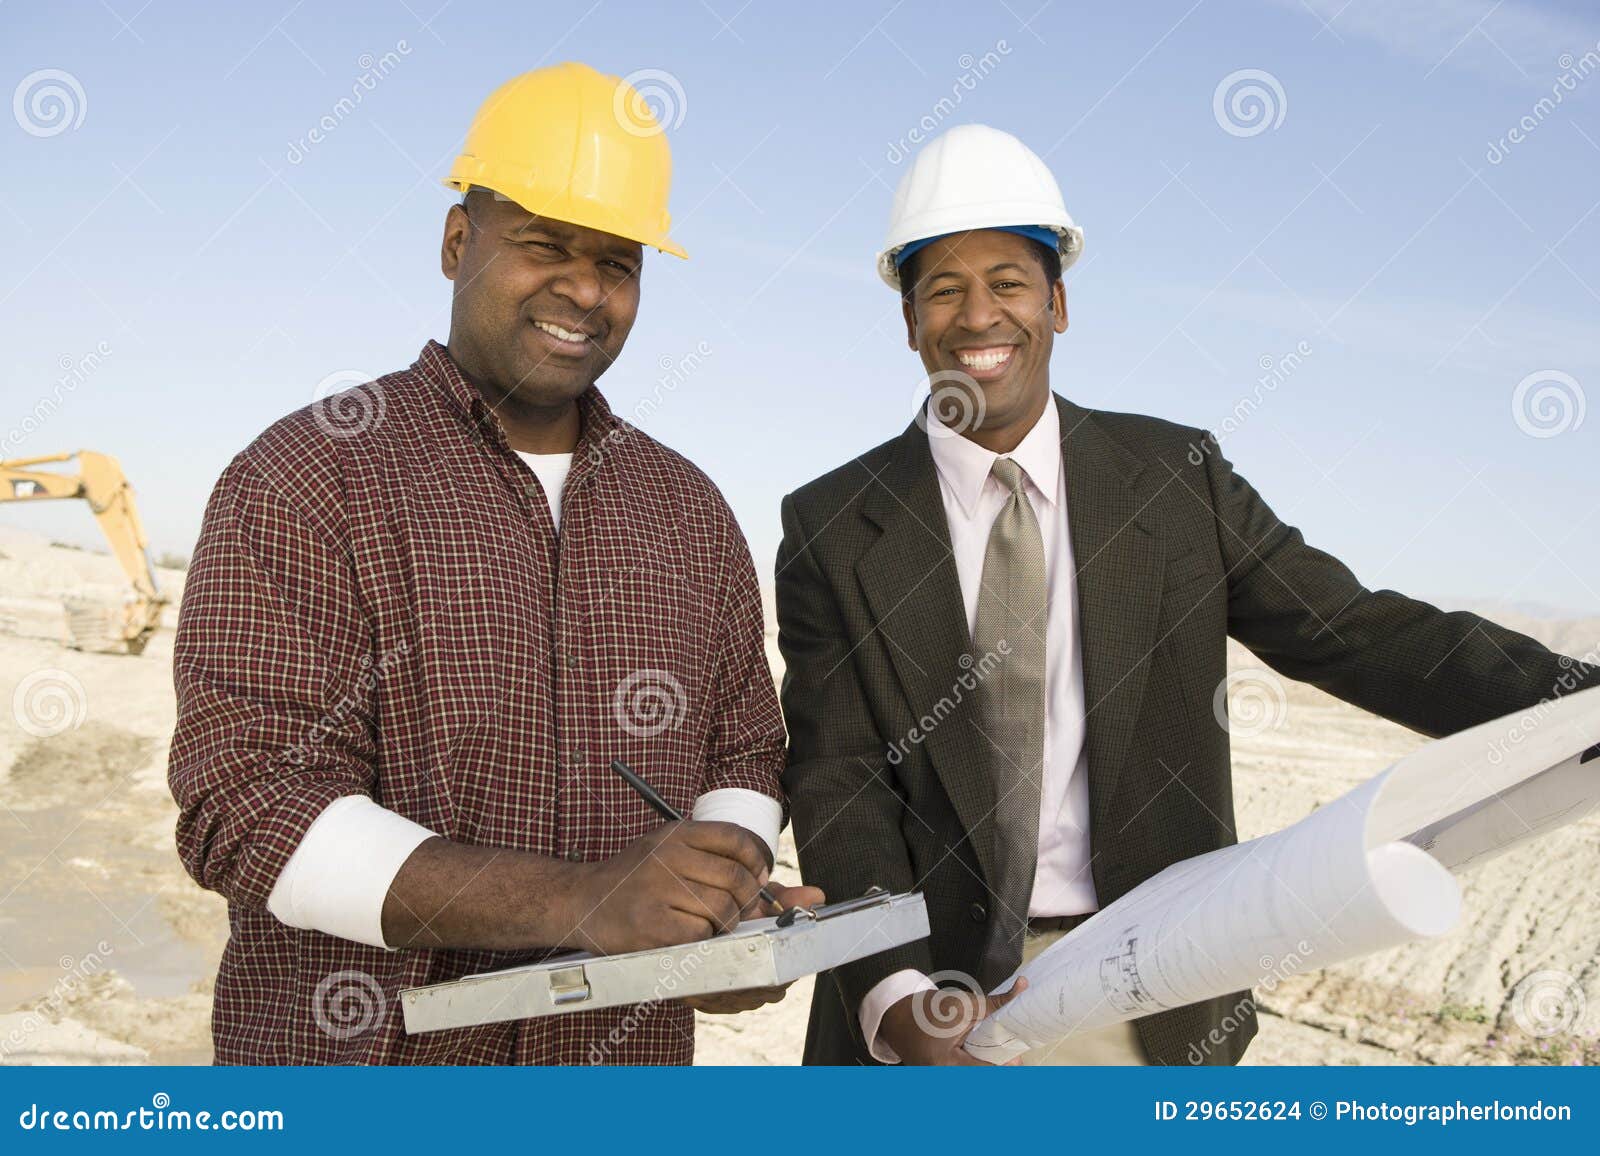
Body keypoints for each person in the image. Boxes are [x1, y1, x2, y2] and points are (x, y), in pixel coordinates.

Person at [775, 123, 1597, 1066]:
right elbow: (837, 777)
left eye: (1008, 282)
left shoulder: (1174, 477)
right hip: (925, 1008)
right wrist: (895, 993)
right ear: (909, 319)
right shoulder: (834, 522)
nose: (976, 317)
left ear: (1058, 303)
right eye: (943, 290)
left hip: (1143, 993)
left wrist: (1581, 699)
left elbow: (1354, 633)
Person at [168, 61, 819, 1066]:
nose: (583, 290)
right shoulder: (307, 476)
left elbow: (741, 752)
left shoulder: (687, 512)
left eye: (618, 262)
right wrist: (589, 898)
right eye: (544, 246)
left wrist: (715, 908)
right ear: (456, 241)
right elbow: (250, 804)